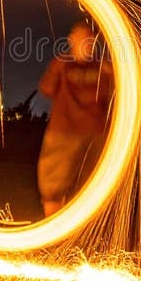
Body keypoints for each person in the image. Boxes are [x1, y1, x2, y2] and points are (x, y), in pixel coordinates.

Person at [36, 20, 114, 217]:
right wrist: (57, 66)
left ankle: (81, 238)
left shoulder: (103, 69)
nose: (85, 43)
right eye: (80, 39)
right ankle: (54, 234)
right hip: (64, 132)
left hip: (94, 135)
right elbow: (46, 89)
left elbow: (114, 98)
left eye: (89, 40)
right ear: (71, 41)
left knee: (90, 190)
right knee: (52, 190)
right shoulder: (63, 64)